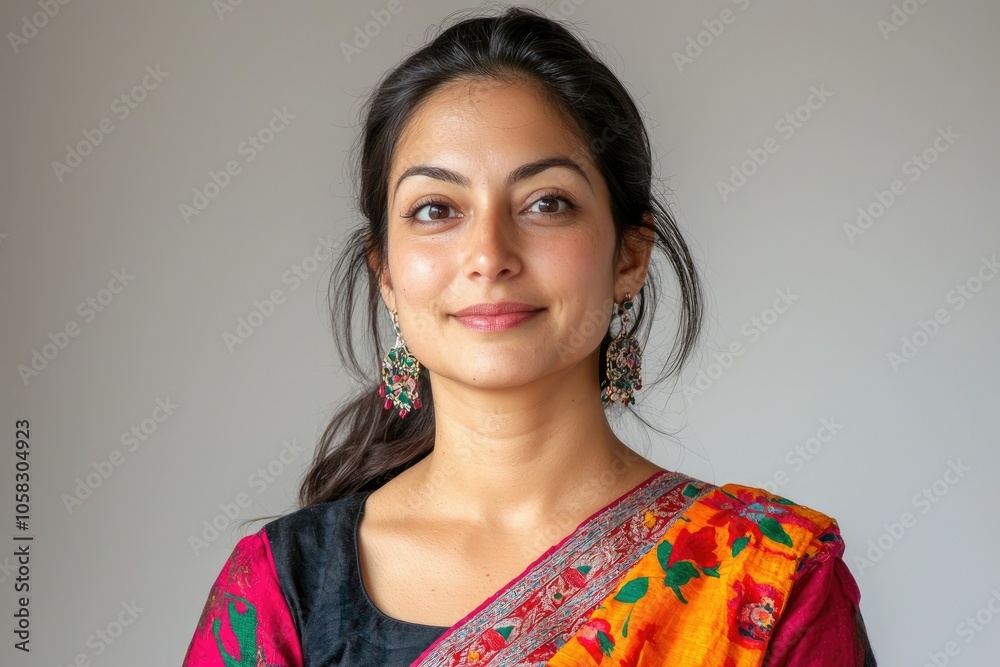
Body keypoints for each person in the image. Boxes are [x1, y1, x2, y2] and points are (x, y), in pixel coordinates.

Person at [181, 6, 878, 666]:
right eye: (435, 209)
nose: (489, 253)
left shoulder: (762, 576)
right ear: (387, 273)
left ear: (629, 256)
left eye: (546, 203)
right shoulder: (280, 589)